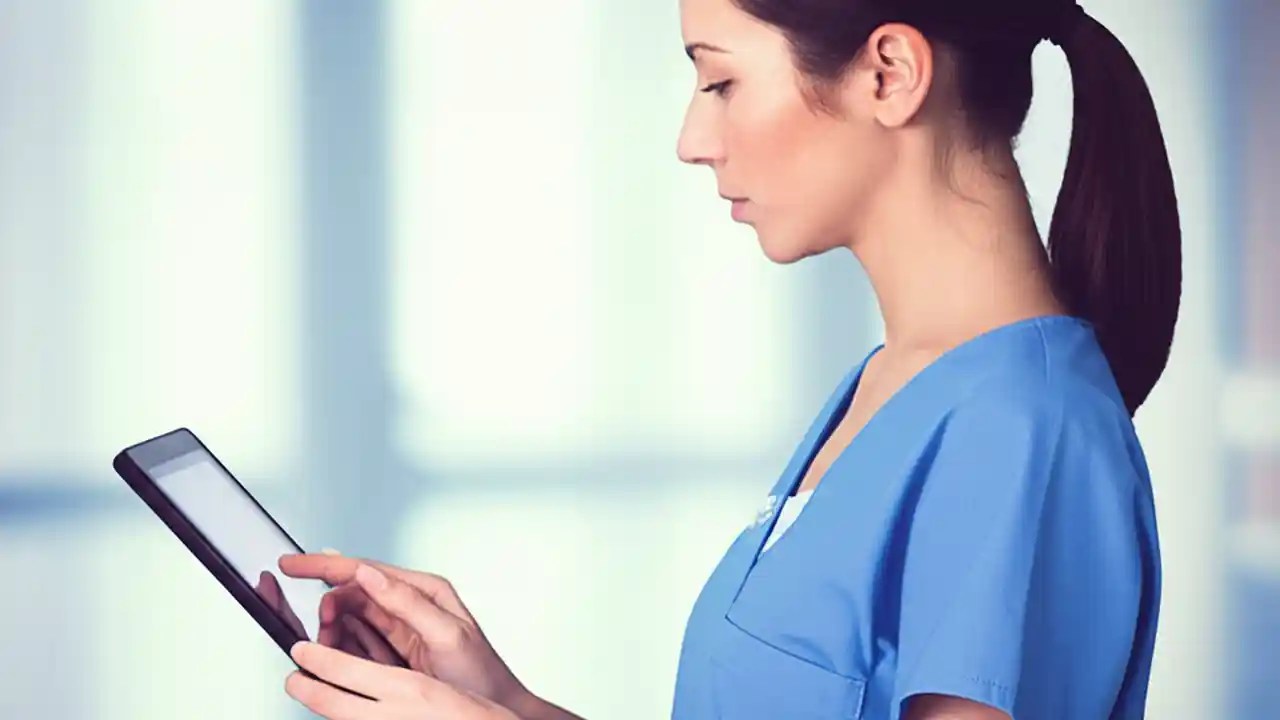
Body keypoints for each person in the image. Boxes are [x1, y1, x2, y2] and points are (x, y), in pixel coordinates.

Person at [275, 0, 1180, 716]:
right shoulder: (888, 387)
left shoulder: (1022, 428)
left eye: (719, 82)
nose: (691, 140)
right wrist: (500, 701)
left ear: (890, 72)